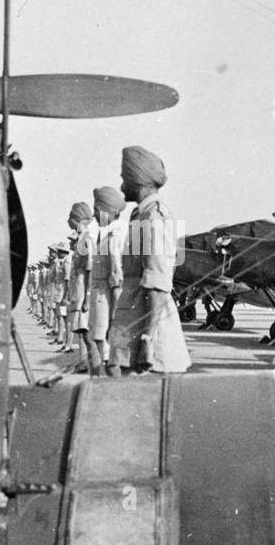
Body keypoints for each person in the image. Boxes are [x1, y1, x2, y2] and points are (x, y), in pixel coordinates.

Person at [107, 146, 191, 375]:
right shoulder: (140, 215)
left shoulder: (155, 216)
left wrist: (148, 339)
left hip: (146, 327)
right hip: (129, 321)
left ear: (138, 179)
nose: (121, 186)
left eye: (125, 179)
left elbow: (157, 283)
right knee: (115, 377)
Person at [87, 185, 127, 376]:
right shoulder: (108, 234)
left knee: (100, 345)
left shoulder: (114, 236)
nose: (93, 214)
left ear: (107, 211)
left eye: (96, 209)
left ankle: (99, 383)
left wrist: (115, 315)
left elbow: (116, 276)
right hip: (101, 297)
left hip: (106, 299)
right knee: (101, 345)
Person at [66, 201, 101, 373]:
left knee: (88, 336)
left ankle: (94, 369)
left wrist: (87, 297)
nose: (69, 222)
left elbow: (90, 269)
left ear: (78, 219)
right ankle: (84, 363)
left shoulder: (87, 239)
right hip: (78, 293)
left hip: (84, 294)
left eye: (71, 218)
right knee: (82, 331)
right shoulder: (82, 238)